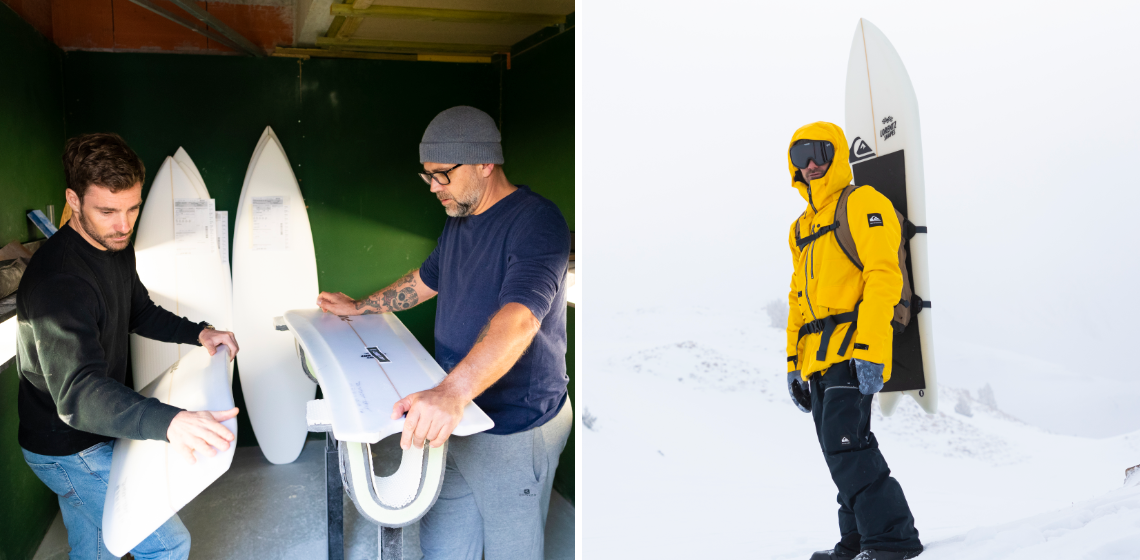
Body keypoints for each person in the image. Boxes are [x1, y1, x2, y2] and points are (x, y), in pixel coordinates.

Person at [317, 106, 572, 560]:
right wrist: (360, 307)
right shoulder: (460, 218)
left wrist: (450, 393)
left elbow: (520, 319)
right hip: (457, 413)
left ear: (484, 163)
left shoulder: (536, 223)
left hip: (514, 425)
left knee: (513, 549)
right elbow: (426, 280)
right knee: (443, 545)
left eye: (441, 175)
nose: (433, 188)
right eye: (427, 177)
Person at [16, 133, 241, 560]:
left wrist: (199, 333)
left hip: (89, 434)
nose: (123, 224)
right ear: (74, 200)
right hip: (68, 447)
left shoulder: (112, 245)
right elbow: (79, 393)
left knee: (100, 546)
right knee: (168, 546)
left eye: (132, 208)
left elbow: (137, 310)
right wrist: (169, 422)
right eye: (107, 211)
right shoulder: (59, 282)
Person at [783, 122, 923, 560]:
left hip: (852, 348)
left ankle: (893, 542)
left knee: (848, 447)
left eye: (819, 152)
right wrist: (793, 364)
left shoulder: (861, 203)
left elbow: (884, 276)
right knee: (838, 451)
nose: (810, 163)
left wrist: (870, 349)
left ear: (837, 155)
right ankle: (859, 540)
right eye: (801, 154)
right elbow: (797, 300)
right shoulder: (801, 227)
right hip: (818, 360)